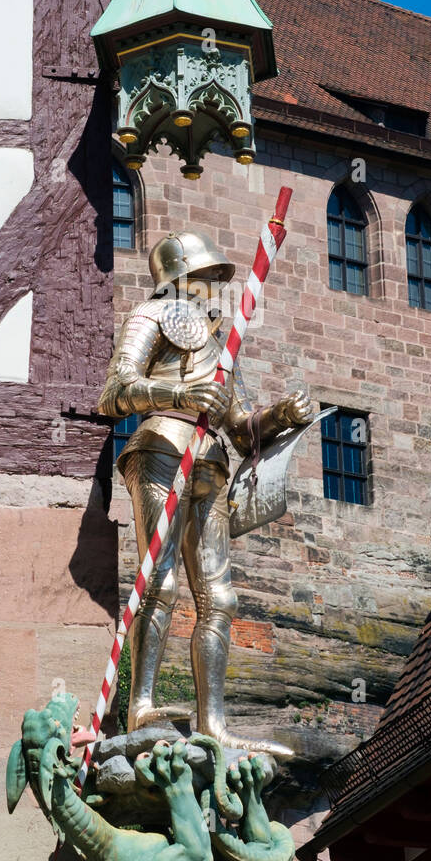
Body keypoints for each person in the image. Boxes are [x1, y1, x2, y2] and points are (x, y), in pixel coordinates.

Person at [99, 230, 314, 756]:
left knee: (219, 597)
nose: (210, 287)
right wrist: (177, 391)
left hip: (211, 462)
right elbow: (114, 391)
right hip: (161, 447)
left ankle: (213, 722)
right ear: (179, 276)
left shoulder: (220, 340)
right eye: (202, 277)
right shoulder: (149, 317)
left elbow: (239, 428)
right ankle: (141, 703)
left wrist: (280, 415)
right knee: (161, 582)